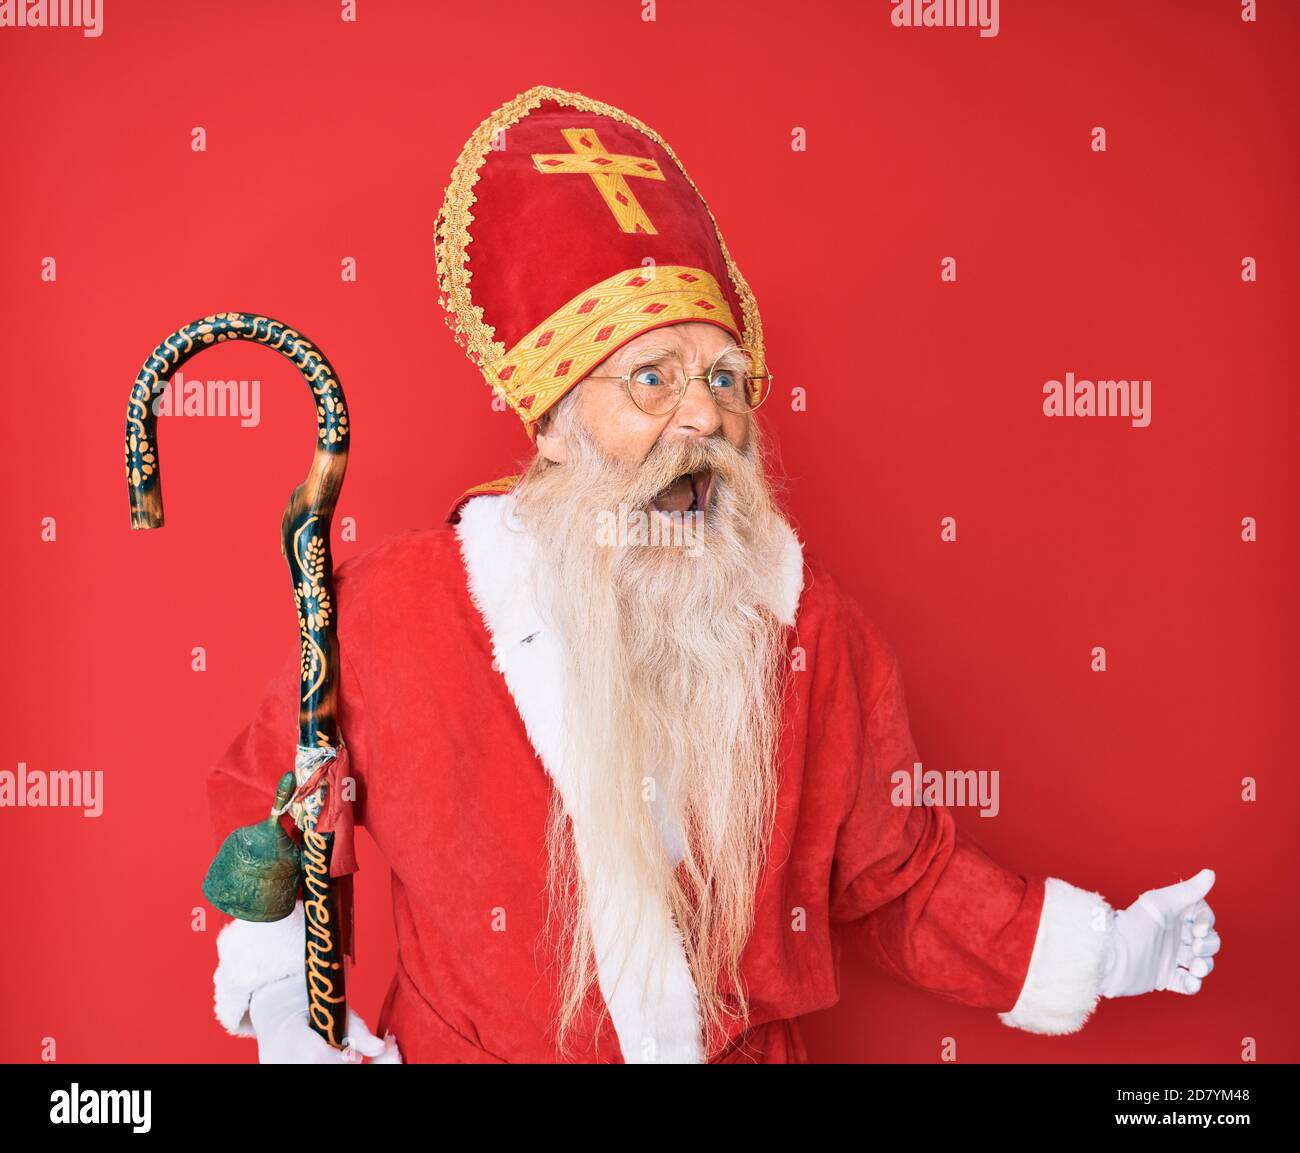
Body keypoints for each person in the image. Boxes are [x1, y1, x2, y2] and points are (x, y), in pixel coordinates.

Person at [206, 85, 1221, 1064]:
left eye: (724, 379)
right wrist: (292, 1016)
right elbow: (278, 803)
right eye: (652, 378)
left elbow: (895, 876)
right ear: (554, 425)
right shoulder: (399, 609)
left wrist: (1109, 948)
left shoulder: (810, 629)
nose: (704, 420)